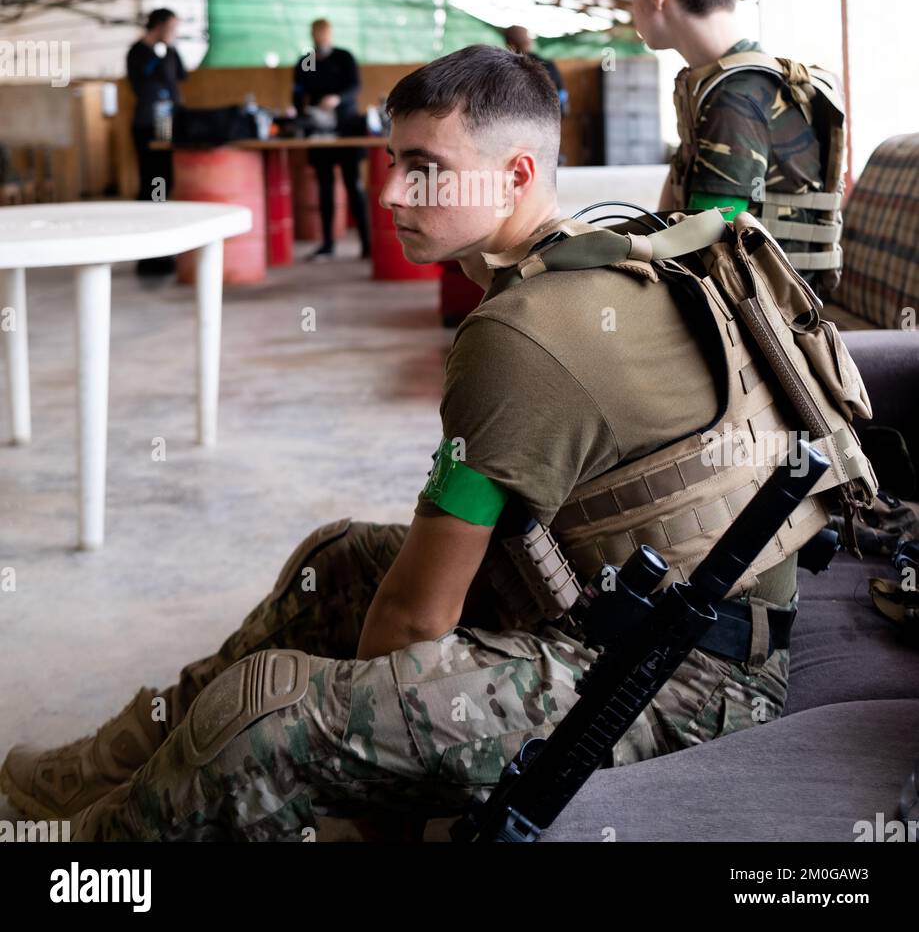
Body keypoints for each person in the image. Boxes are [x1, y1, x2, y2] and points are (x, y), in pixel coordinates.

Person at [1, 44, 854, 841]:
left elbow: (418, 617)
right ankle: (104, 768)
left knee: (275, 718)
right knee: (334, 560)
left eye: (426, 170)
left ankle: (95, 849)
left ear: (516, 174)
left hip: (687, 682)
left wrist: (359, 711)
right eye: (393, 164)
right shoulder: (597, 258)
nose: (392, 197)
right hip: (645, 611)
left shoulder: (524, 334)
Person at [616, 0, 846, 293]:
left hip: (775, 326)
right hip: (746, 299)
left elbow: (699, 251)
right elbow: (672, 211)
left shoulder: (736, 99)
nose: (631, 5)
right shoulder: (706, 83)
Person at [293, 18, 370, 260]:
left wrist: (337, 99)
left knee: (353, 186)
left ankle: (367, 244)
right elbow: (298, 91)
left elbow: (355, 86)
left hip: (345, 129)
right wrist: (302, 110)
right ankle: (327, 244)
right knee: (324, 187)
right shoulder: (307, 61)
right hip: (318, 129)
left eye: (324, 32)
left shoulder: (344, 57)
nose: (320, 36)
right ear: (312, 34)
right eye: (316, 32)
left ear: (330, 33)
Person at [126, 8, 187, 277]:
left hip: (170, 124)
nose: (174, 32)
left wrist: (170, 48)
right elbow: (139, 84)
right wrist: (157, 54)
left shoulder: (169, 51)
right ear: (159, 25)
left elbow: (182, 75)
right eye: (171, 27)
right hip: (147, 125)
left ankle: (164, 249)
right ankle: (147, 254)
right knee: (151, 185)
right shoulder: (138, 52)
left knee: (166, 182)